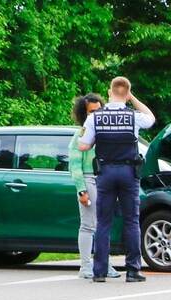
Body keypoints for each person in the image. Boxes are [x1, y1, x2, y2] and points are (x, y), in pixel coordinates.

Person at [78, 76, 156, 282]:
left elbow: (83, 146)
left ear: (109, 93)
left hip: (105, 172)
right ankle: (132, 271)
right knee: (131, 221)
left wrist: (97, 138)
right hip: (129, 173)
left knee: (103, 222)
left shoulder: (95, 117)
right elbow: (151, 118)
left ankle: (100, 272)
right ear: (127, 94)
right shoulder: (134, 116)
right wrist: (133, 98)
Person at [67, 94, 121, 280]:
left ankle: (104, 264)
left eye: (99, 111)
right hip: (89, 180)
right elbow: (74, 165)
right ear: (84, 113)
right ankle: (86, 265)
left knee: (104, 225)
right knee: (89, 225)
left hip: (105, 181)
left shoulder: (105, 134)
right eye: (92, 111)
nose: (96, 114)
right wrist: (81, 190)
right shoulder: (80, 135)